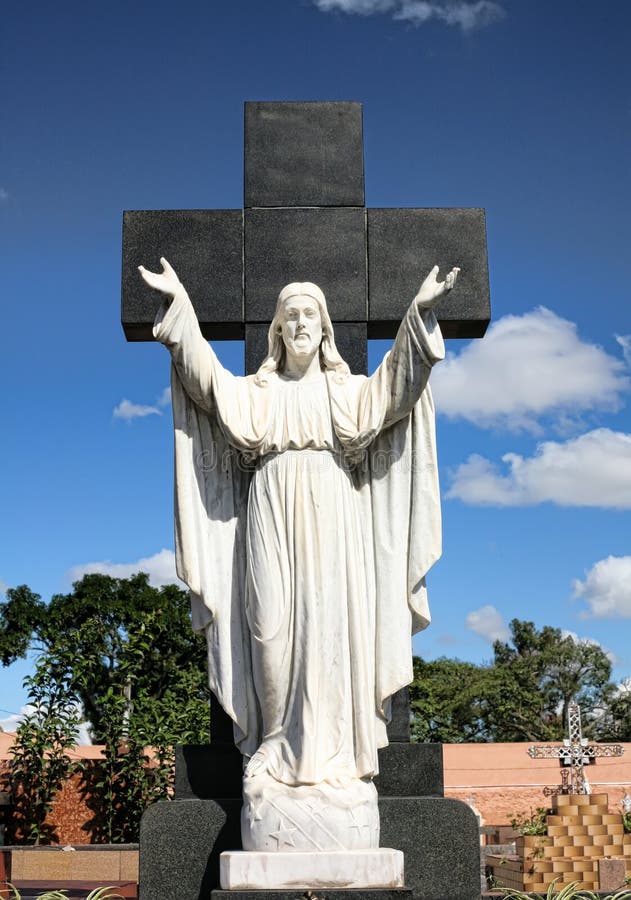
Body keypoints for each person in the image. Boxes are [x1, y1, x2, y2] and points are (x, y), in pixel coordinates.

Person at [139, 258, 458, 850]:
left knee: (328, 634)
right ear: (278, 331)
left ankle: (335, 760)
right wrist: (180, 309)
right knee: (269, 631)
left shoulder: (347, 393)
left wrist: (421, 312)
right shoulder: (256, 396)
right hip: (268, 513)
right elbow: (206, 380)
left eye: (311, 314)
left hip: (334, 518)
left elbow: (395, 387)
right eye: (291, 316)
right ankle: (273, 747)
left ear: (325, 327)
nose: (302, 323)